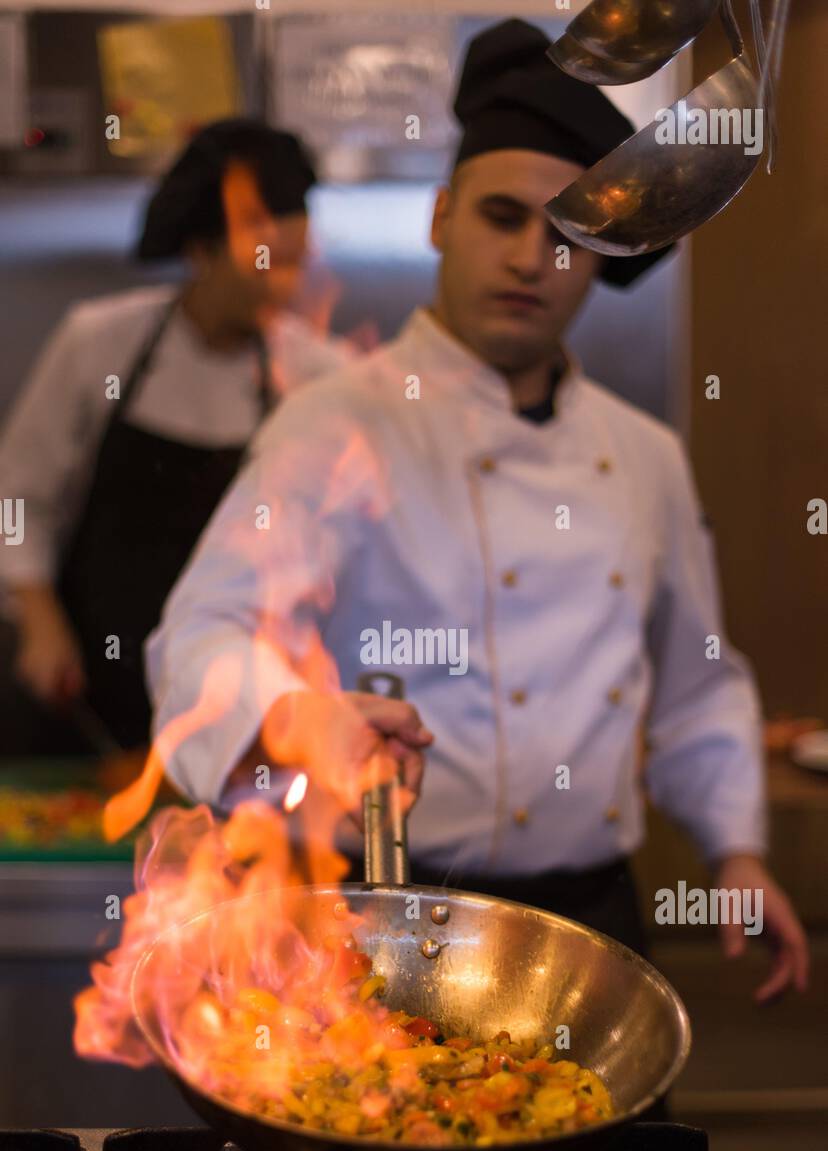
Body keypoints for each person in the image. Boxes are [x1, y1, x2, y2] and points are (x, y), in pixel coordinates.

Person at [147, 22, 809, 1005]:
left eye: (567, 235)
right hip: (382, 918)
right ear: (441, 216)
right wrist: (289, 716)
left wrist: (735, 852)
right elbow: (199, 634)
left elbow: (696, 683)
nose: (530, 258)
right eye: (502, 216)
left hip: (593, 925)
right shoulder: (333, 424)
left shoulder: (645, 455)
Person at [0, 118, 353, 754]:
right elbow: (18, 496)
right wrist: (38, 612)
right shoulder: (99, 342)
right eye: (267, 262)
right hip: (83, 693)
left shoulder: (318, 376)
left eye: (298, 261)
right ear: (202, 252)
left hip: (237, 714)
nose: (288, 283)